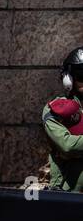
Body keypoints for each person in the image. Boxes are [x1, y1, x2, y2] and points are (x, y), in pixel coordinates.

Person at [41, 48, 83, 192]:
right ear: (69, 78)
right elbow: (67, 145)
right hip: (68, 191)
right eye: (81, 75)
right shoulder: (56, 108)